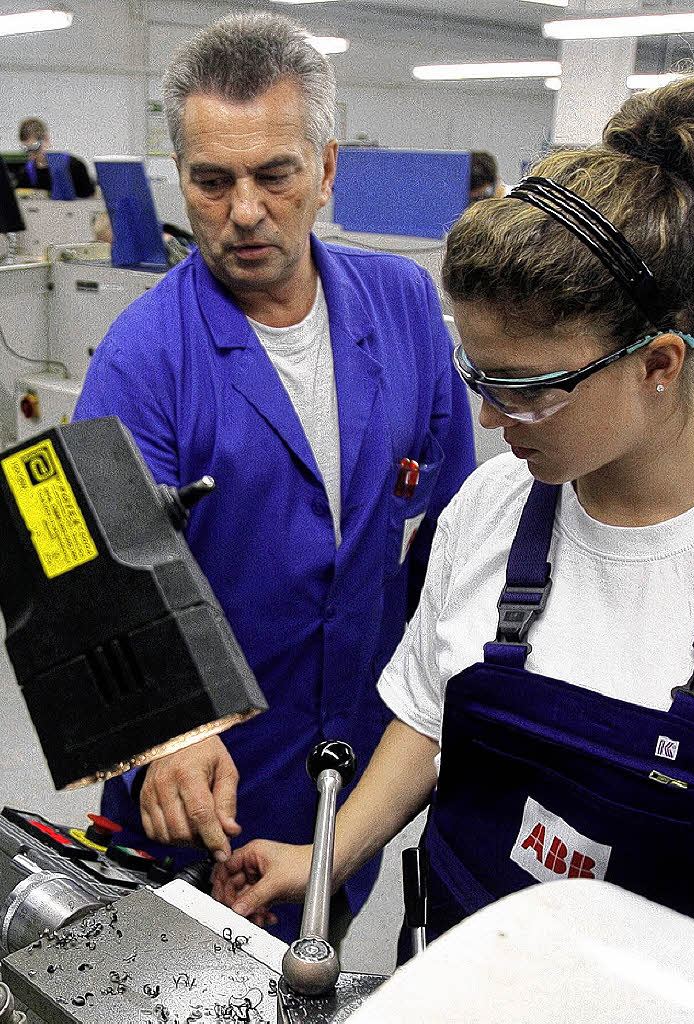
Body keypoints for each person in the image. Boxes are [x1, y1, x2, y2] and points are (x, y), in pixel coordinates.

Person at [212, 68, 694, 979]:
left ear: (655, 363)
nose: (490, 422)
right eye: (479, 378)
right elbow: (426, 709)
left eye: (527, 392)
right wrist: (327, 855)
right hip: (457, 976)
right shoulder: (494, 508)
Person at [74, 11, 475, 940]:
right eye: (212, 182)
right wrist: (168, 735)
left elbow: (454, 532)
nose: (243, 211)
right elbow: (93, 590)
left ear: (325, 170)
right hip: (209, 789)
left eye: (273, 176)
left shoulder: (405, 306)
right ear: (184, 178)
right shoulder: (144, 359)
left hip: (356, 761)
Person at [16, 117, 96, 197]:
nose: (32, 155)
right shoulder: (27, 173)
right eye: (27, 150)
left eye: (35, 148)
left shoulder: (75, 166)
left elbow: (91, 200)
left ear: (46, 139)